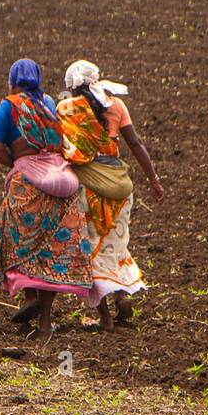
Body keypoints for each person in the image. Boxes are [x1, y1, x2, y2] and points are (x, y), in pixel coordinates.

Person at [0, 58, 92, 336]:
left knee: (17, 243)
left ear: (12, 81)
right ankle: (45, 322)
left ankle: (29, 297)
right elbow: (53, 143)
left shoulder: (9, 105)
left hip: (30, 185)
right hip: (64, 183)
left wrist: (17, 164)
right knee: (51, 253)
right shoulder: (48, 103)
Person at [57, 60, 164, 331]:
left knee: (90, 248)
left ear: (71, 86)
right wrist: (153, 179)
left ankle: (105, 317)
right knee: (116, 246)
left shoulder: (66, 110)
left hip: (88, 188)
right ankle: (122, 295)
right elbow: (135, 143)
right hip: (120, 187)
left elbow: (64, 149)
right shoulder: (117, 105)